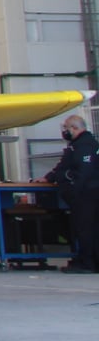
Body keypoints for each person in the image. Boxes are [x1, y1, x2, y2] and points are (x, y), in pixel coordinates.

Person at [44, 115, 97, 272]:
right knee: (88, 229)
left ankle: (87, 264)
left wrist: (72, 190)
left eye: (66, 127)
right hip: (87, 193)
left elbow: (83, 172)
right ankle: (89, 261)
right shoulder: (79, 145)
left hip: (86, 194)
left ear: (74, 128)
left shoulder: (84, 146)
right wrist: (49, 177)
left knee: (85, 229)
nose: (64, 131)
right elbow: (63, 166)